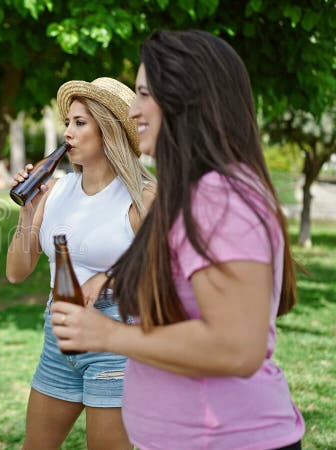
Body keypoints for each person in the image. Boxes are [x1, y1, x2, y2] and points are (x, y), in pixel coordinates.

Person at [50, 30, 305, 450]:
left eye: (144, 94)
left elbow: (237, 348)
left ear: (187, 99)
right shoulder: (195, 192)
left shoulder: (219, 196)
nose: (132, 111)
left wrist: (108, 335)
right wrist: (112, 278)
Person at [6, 77, 155, 449]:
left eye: (80, 123)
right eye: (68, 123)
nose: (68, 132)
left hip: (115, 337)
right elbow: (16, 272)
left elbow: (160, 275)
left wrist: (107, 283)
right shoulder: (56, 191)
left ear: (108, 129)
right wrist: (27, 215)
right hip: (58, 336)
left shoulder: (142, 197)